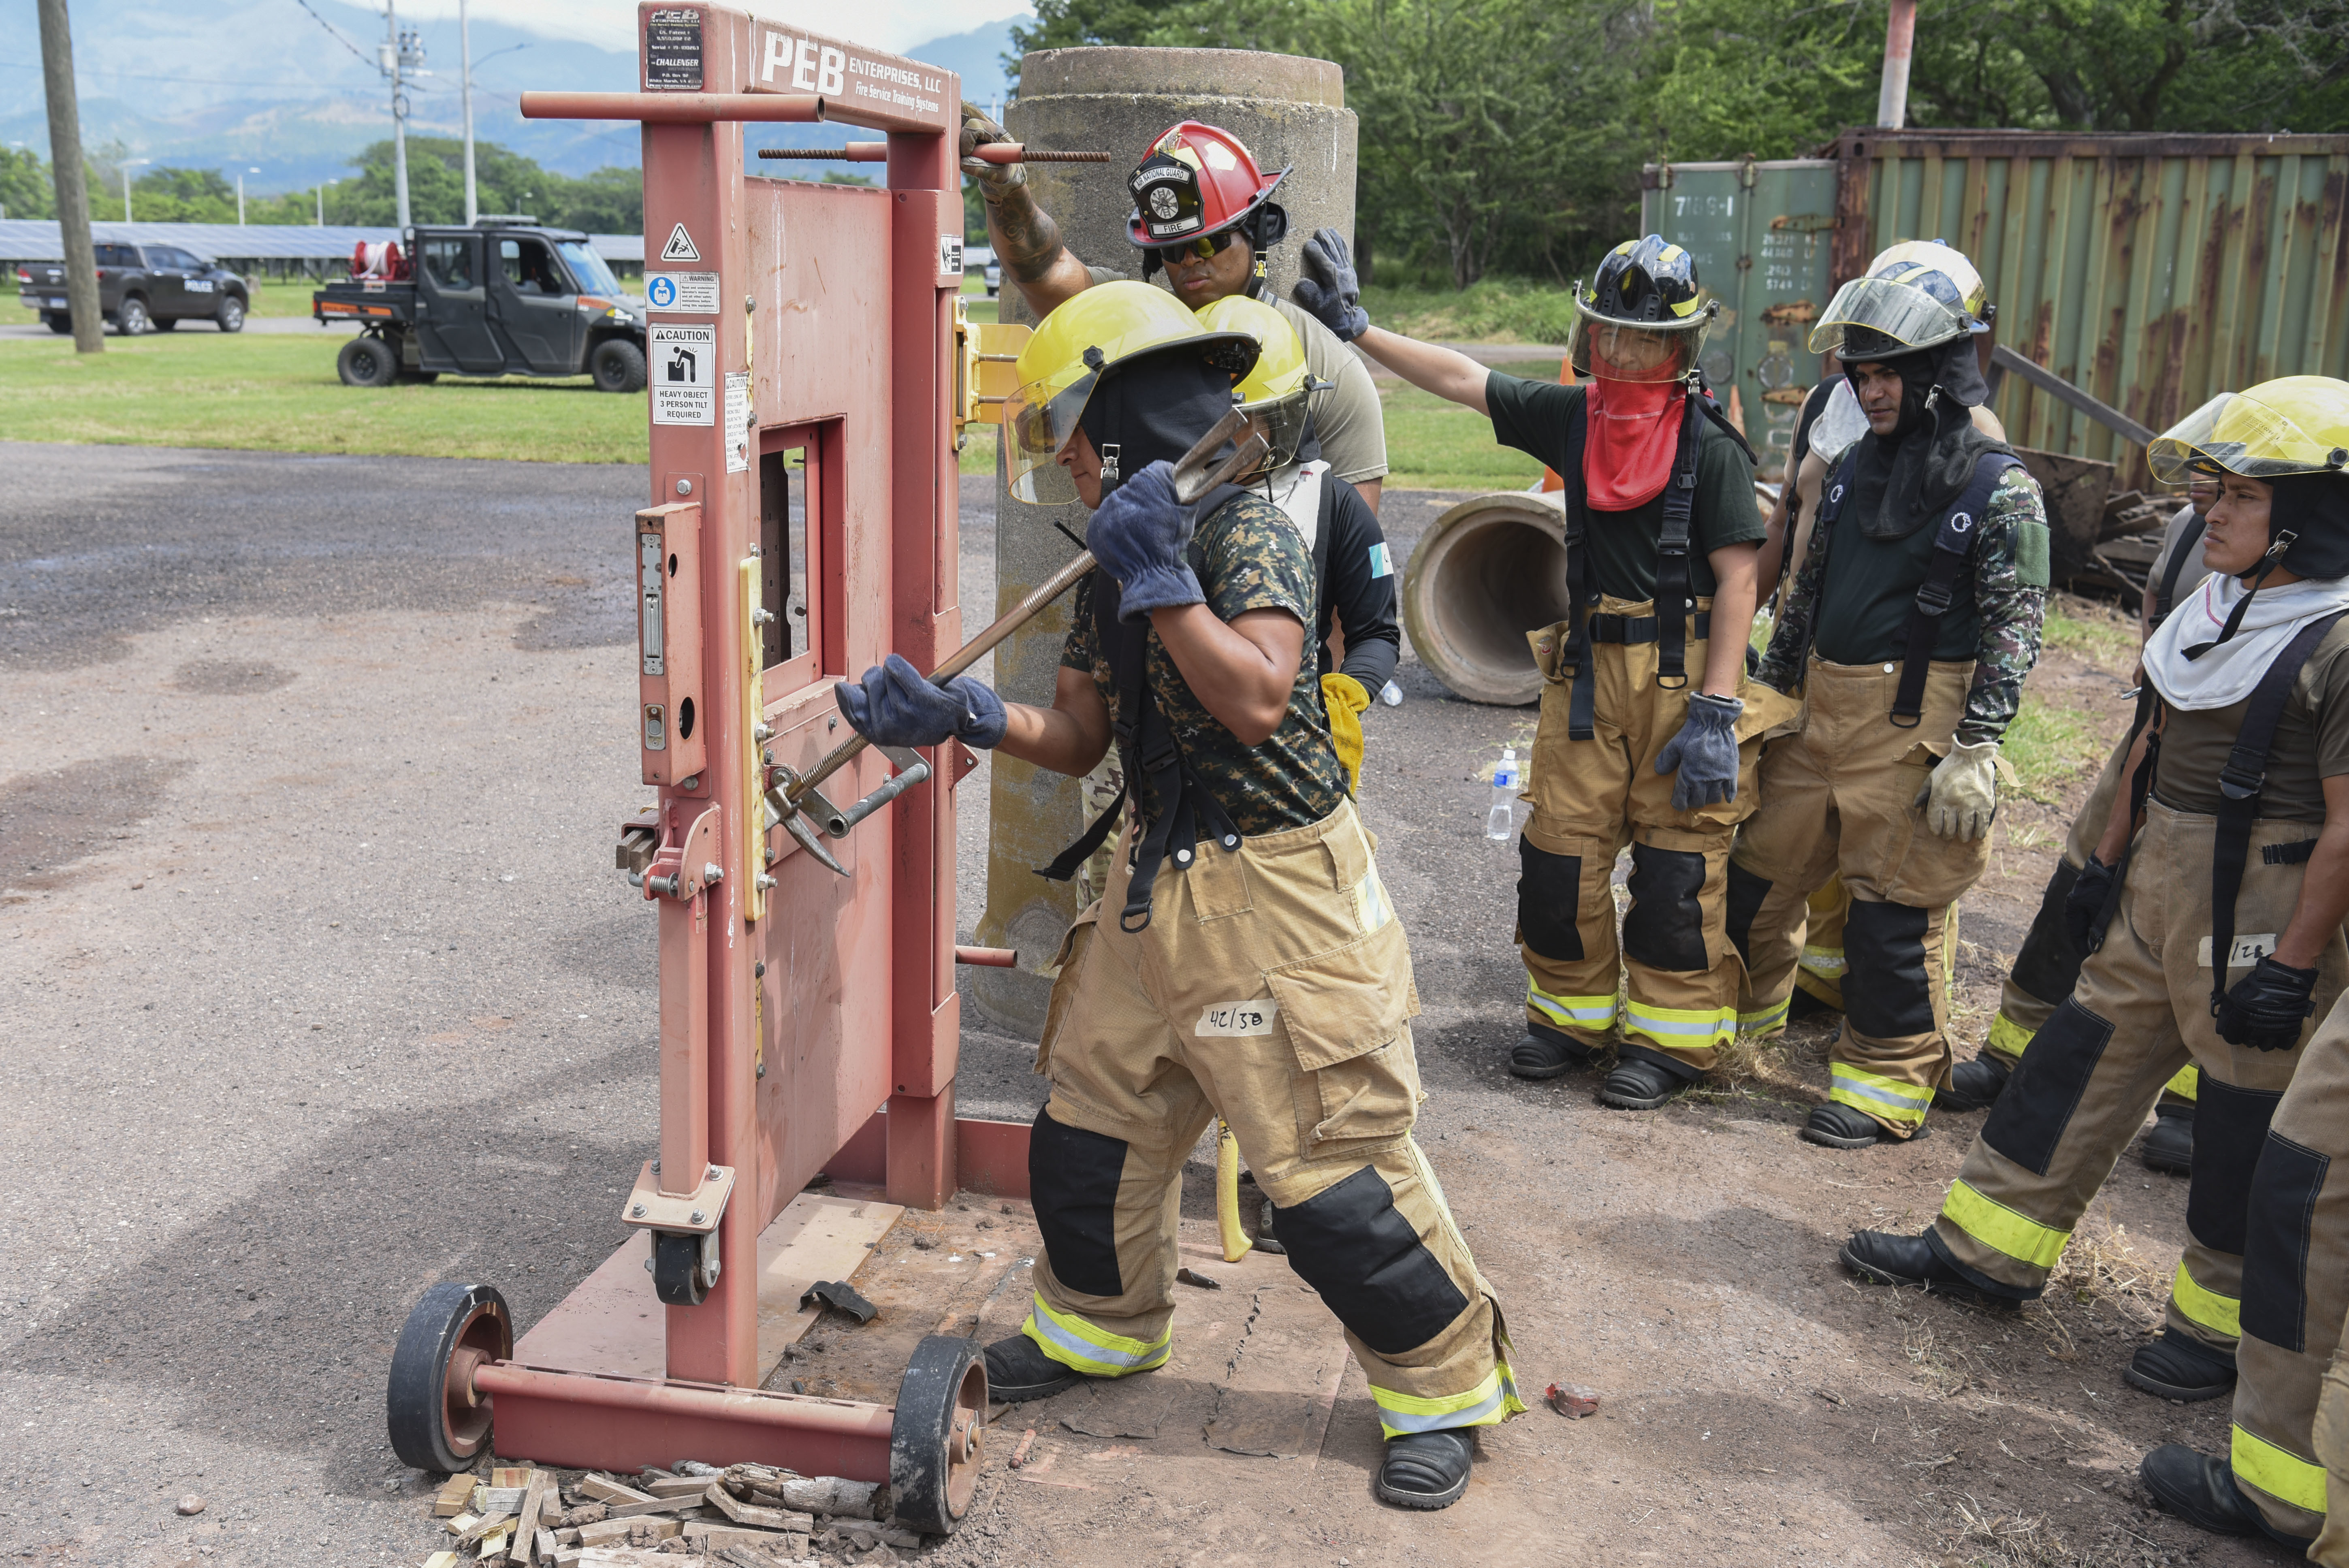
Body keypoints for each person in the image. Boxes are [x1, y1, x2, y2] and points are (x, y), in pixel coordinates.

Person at [834, 281, 1522, 1510]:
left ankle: (1442, 1390)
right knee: (1092, 1132)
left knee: (1330, 1177)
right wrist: (972, 716)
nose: (1060, 457)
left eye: (1065, 429)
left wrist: (1161, 580)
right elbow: (1088, 729)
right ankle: (1102, 1328)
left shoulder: (1235, 532)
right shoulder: (1120, 550)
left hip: (1275, 897)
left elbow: (1259, 695)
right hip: (1156, 885)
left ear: (1114, 417)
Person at [1843, 377, 2349, 1418]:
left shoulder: (2336, 643)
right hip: (2158, 886)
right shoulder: (2219, 607)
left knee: (2239, 1127)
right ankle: (1984, 1249)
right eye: (2212, 491)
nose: (2210, 513)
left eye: (2240, 498)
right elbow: (2149, 746)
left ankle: (2212, 1330)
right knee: (2071, 1066)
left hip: (2259, 912)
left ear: (2308, 518)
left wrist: (2294, 966)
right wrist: (2101, 869)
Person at [1294, 230, 1795, 1109]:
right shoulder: (1576, 420)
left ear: (1678, 349)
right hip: (1584, 680)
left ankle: (1670, 1042)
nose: (1623, 352)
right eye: (1609, 334)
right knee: (1560, 854)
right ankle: (1569, 1019)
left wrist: (1719, 709)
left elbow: (1738, 582)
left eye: (1643, 339)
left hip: (1682, 688)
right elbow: (1462, 379)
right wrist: (1358, 330)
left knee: (1678, 873)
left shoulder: (1708, 447)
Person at [1726, 241, 2051, 1149]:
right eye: (1860, 374)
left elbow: (2015, 630)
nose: (1869, 392)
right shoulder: (1854, 468)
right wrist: (1769, 692)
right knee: (1752, 877)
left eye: (1889, 375)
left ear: (1940, 373)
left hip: (1913, 725)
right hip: (1815, 709)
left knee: (1889, 917)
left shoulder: (1999, 490)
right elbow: (1807, 593)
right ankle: (1734, 1029)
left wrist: (1976, 745)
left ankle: (1883, 1085)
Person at [1942, 476, 2221, 1173]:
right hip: (2152, 735)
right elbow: (2159, 595)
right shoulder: (2190, 525)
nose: (2199, 490)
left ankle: (2191, 1110)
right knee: (2078, 885)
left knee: (2209, 930)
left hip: (2242, 771)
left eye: (2222, 480)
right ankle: (2010, 1051)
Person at [961, 107, 1388, 514]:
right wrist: (1007, 194)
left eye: (1209, 243)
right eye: (1172, 248)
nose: (1188, 261)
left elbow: (1349, 530)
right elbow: (1047, 271)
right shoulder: (1132, 323)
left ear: (1257, 234)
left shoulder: (1329, 362)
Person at [1193, 292, 1397, 794]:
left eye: (1247, 425)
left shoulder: (1335, 505)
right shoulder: (1164, 506)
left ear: (1287, 414)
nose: (1229, 440)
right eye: (1213, 422)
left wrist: (1344, 696)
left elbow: (1378, 632)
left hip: (1298, 752)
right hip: (1185, 751)